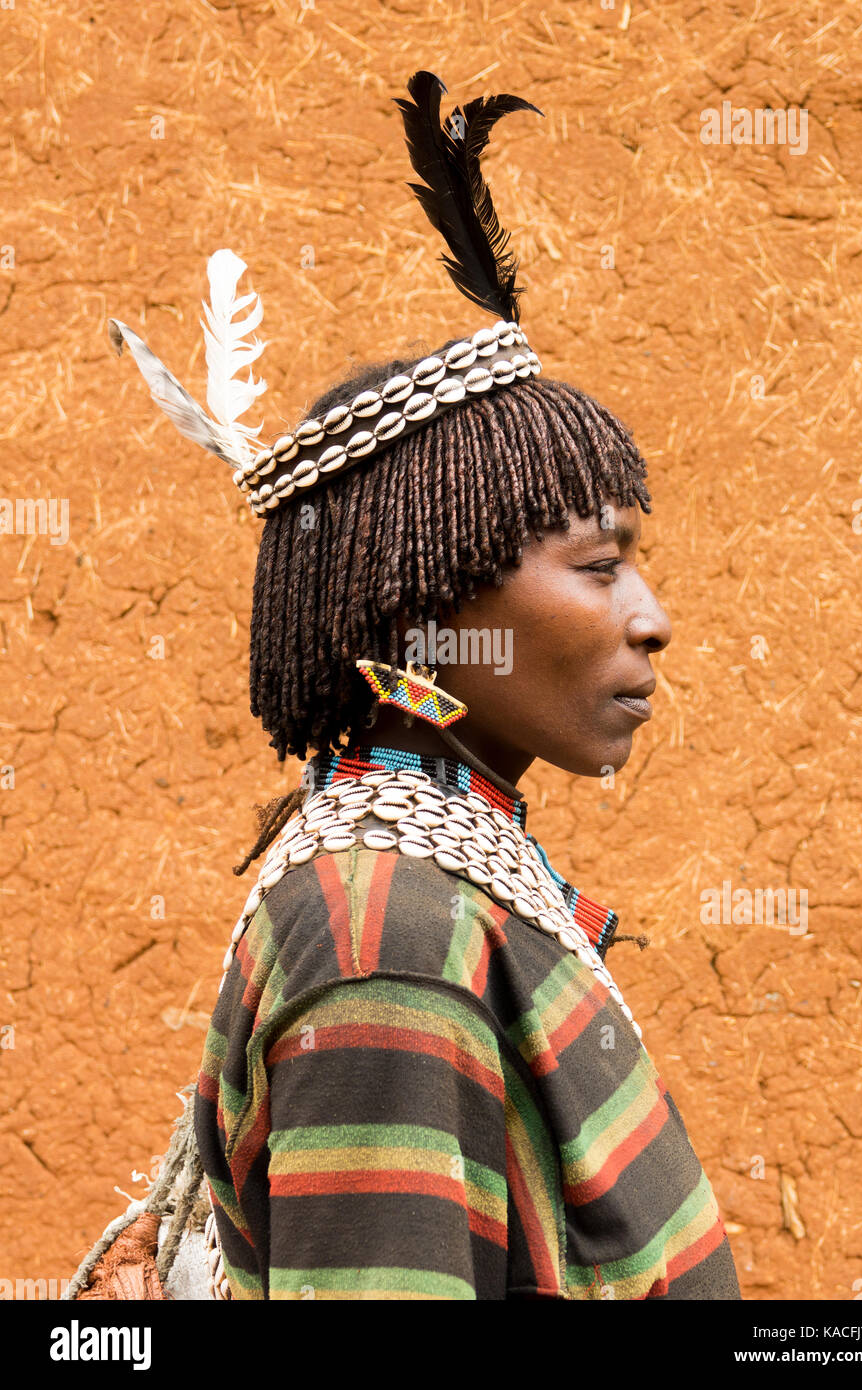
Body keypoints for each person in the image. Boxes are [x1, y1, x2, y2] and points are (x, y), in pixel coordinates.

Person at [103, 69, 742, 1300]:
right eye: (600, 567)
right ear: (423, 620)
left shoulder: (446, 875)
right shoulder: (386, 941)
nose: (649, 619)